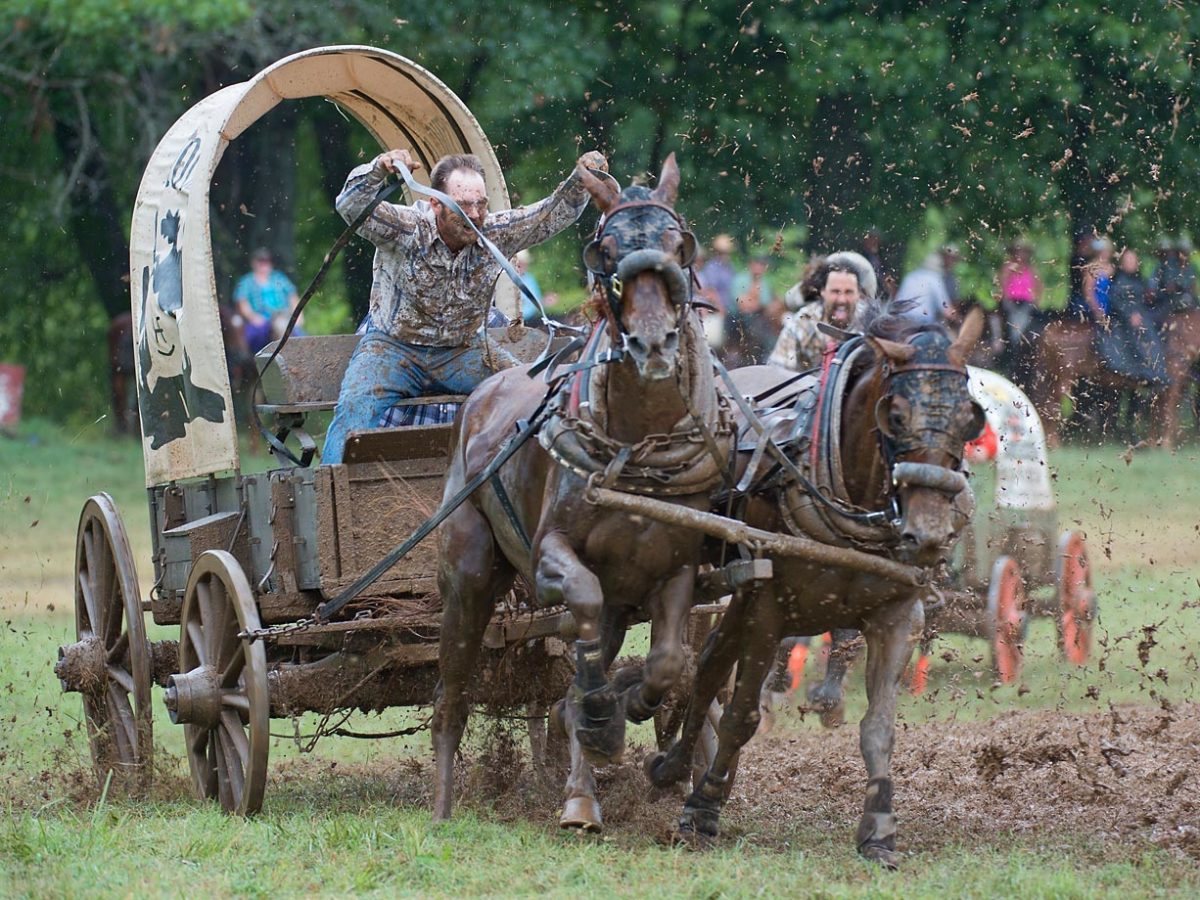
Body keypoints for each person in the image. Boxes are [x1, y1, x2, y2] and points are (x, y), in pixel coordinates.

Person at [322, 147, 606, 465]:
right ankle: (331, 499)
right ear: (435, 203)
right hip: (393, 349)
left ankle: (528, 489)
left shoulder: (496, 232)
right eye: (463, 205)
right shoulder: (406, 228)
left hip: (463, 351)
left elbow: (548, 217)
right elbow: (350, 207)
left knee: (530, 393)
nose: (474, 215)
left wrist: (580, 181)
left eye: (480, 204)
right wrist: (377, 169)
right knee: (354, 408)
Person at [768, 252, 874, 372]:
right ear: (822, 292)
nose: (842, 300)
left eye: (849, 292)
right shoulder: (803, 324)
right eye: (835, 291)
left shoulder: (870, 325)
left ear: (859, 294)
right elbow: (777, 373)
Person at [234, 248, 302, 354]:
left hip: (283, 316)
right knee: (251, 341)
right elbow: (242, 303)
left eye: (267, 261)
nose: (264, 264)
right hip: (260, 320)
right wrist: (253, 317)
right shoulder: (247, 281)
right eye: (261, 261)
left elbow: (292, 296)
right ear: (254, 263)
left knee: (300, 336)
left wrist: (299, 315)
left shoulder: (279, 278)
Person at [722, 255, 780, 366]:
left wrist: (756, 304)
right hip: (736, 322)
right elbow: (743, 305)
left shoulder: (765, 284)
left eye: (762, 264)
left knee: (767, 329)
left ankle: (764, 356)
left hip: (757, 323)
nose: (759, 267)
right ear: (751, 264)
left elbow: (767, 305)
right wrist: (757, 304)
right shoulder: (740, 280)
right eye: (757, 263)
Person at [997, 240, 1044, 366]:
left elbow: (1039, 286)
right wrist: (1006, 300)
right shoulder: (1008, 267)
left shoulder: (1030, 269)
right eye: (1018, 252)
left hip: (1027, 302)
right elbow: (1002, 285)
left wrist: (1036, 300)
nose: (1020, 255)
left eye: (1023, 252)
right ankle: (1015, 352)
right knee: (1016, 325)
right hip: (1012, 302)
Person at [895, 252, 951, 325]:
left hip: (901, 317)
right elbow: (946, 309)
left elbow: (897, 300)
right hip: (922, 319)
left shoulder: (910, 276)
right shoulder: (935, 278)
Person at [515, 250, 558, 323]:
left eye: (525, 264)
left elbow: (535, 302)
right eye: (520, 264)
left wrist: (546, 301)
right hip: (513, 322)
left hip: (531, 320)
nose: (524, 266)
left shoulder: (530, 279)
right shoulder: (506, 280)